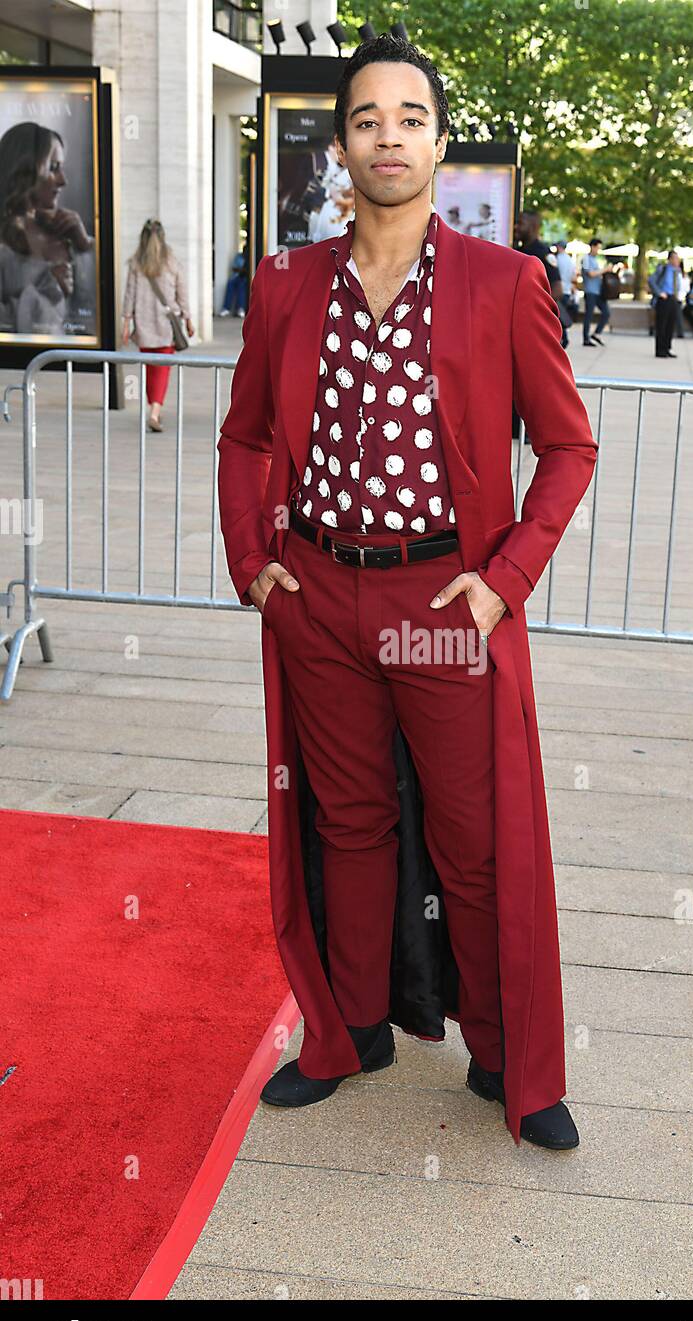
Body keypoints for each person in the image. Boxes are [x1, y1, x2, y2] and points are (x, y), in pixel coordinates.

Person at [218, 34, 598, 1150]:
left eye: (410, 117)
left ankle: (504, 1055)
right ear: (340, 144)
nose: (389, 136)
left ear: (439, 139)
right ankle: (347, 1032)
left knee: (476, 842)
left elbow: (567, 449)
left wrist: (502, 582)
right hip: (321, 598)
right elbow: (244, 436)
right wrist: (257, 566)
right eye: (367, 118)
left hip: (443, 603)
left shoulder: (502, 282)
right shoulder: (288, 283)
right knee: (347, 821)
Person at [0, 120, 96, 338]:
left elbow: (94, 319)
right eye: (54, 168)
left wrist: (85, 246)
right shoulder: (4, 248)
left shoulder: (68, 233)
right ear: (24, 171)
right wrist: (48, 291)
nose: (63, 181)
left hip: (71, 363)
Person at [121, 219, 194, 432]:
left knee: (150, 369)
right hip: (166, 326)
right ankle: (154, 411)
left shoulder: (136, 264)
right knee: (162, 370)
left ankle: (153, 408)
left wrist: (126, 324)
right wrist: (188, 319)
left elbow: (129, 296)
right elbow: (183, 294)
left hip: (143, 325)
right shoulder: (172, 262)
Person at [514, 208, 568, 347]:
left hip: (536, 326)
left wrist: (533, 311)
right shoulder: (517, 251)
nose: (516, 227)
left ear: (533, 227)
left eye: (520, 224)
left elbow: (557, 289)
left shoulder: (543, 252)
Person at [648, 250, 683, 358]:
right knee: (661, 324)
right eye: (675, 258)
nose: (677, 261)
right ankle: (660, 349)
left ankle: (667, 348)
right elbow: (651, 280)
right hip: (663, 298)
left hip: (673, 298)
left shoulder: (677, 271)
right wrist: (659, 293)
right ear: (670, 259)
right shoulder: (662, 269)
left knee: (670, 325)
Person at [580, 236, 609, 346]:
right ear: (592, 247)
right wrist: (604, 270)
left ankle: (596, 333)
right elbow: (591, 274)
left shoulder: (596, 260)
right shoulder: (586, 259)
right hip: (590, 291)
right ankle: (586, 338)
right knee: (589, 315)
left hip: (598, 291)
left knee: (606, 313)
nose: (598, 251)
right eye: (597, 248)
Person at [219, 251, 248, 318]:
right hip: (236, 276)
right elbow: (234, 268)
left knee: (242, 286)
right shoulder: (238, 256)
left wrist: (243, 270)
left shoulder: (250, 257)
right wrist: (241, 270)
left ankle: (240, 308)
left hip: (245, 278)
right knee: (230, 283)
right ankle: (226, 308)